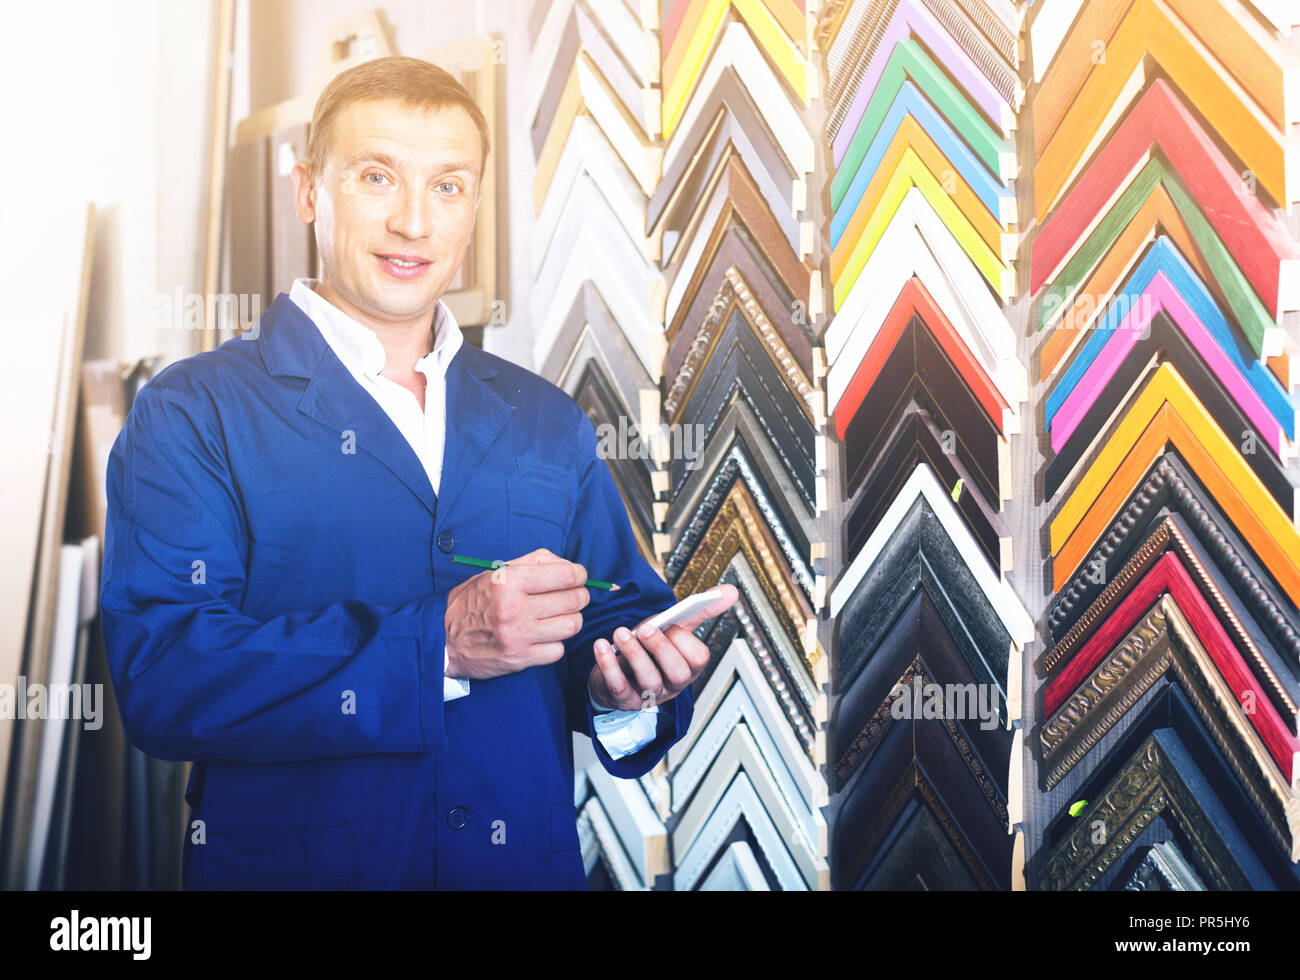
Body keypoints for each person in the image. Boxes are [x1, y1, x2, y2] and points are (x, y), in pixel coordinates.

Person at [99, 55, 737, 889]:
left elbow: (608, 621)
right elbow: (166, 674)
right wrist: (434, 647)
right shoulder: (192, 413)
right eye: (376, 177)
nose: (414, 223)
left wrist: (628, 691)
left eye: (448, 186)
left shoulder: (545, 420)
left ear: (473, 206)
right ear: (308, 192)